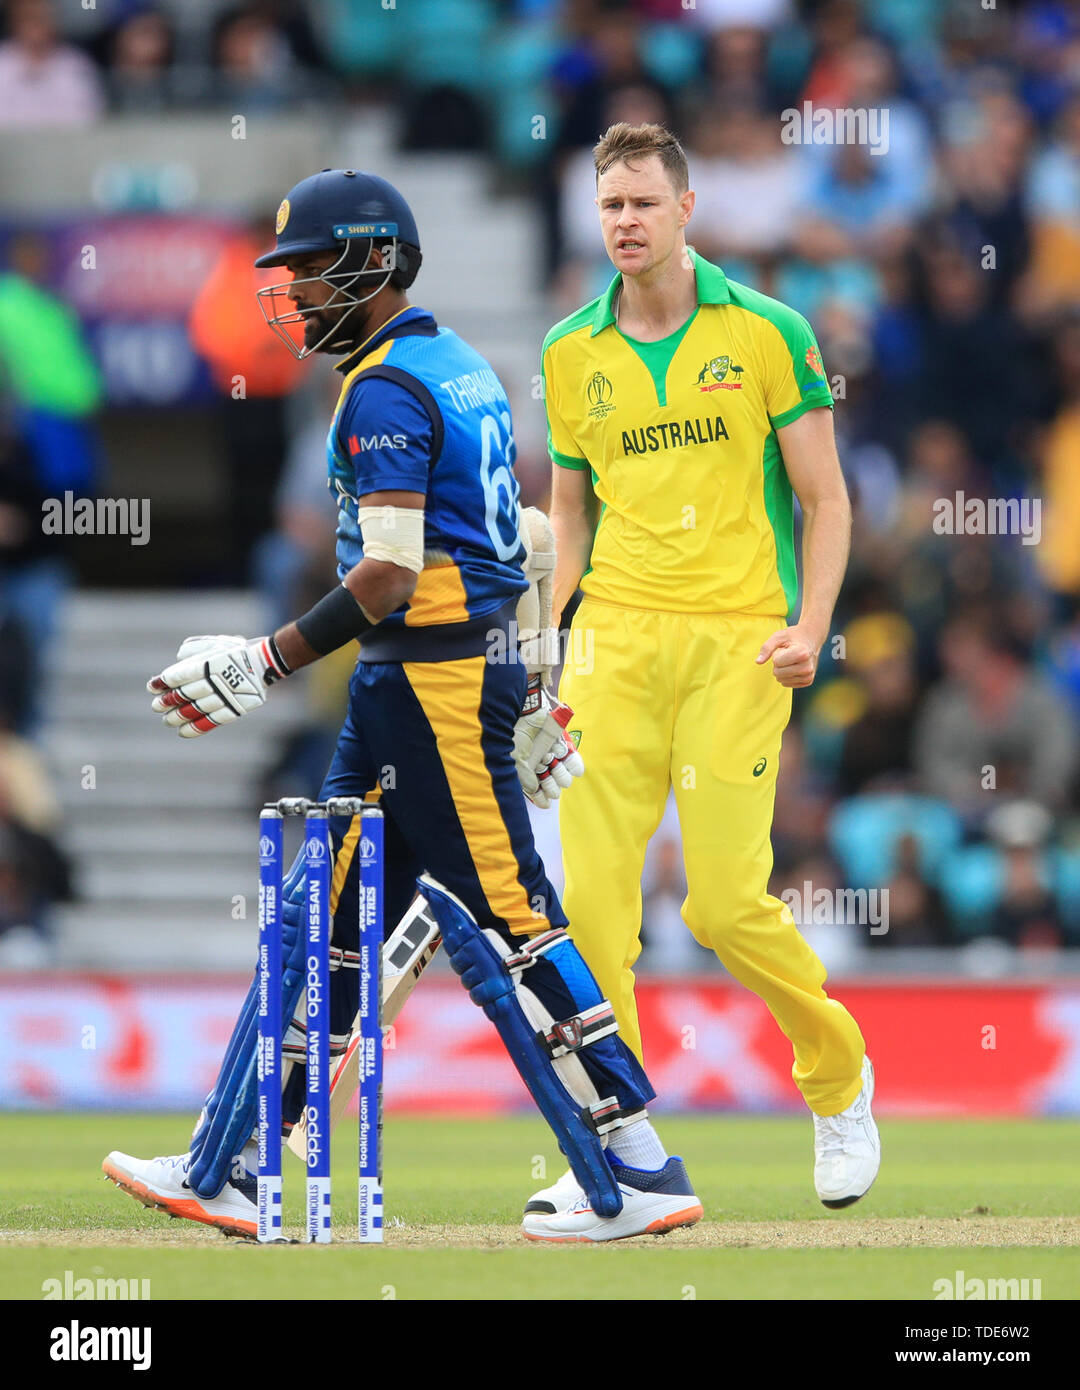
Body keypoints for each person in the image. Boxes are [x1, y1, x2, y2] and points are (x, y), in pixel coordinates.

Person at [101, 168, 702, 1244]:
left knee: (514, 918)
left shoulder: (384, 386)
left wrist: (262, 662)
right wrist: (536, 686)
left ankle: (638, 1160)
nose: (293, 292)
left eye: (312, 269)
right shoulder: (457, 362)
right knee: (319, 920)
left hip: (429, 679)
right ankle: (231, 1158)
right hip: (432, 682)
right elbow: (531, 538)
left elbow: (387, 570)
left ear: (375, 262)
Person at [533, 122, 880, 1214]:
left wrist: (812, 624)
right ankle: (622, 1137)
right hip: (613, 641)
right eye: (609, 207)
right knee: (589, 911)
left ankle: (840, 1079)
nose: (624, 222)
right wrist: (551, 653)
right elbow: (570, 508)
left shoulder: (770, 331)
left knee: (726, 905)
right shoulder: (568, 352)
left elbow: (825, 499)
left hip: (738, 634)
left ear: (686, 210)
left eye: (642, 202)